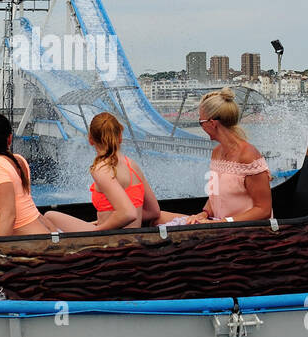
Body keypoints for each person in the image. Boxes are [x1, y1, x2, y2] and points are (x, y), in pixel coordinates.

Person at [42, 113, 179, 232]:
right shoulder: (132, 165)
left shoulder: (102, 169)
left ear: (91, 139)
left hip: (111, 239)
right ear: (120, 136)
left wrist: (98, 230)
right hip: (132, 236)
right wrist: (112, 219)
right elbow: (154, 211)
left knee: (49, 217)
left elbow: (128, 213)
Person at [185, 88, 272, 224]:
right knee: (158, 218)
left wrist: (223, 223)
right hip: (219, 226)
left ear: (212, 123)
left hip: (246, 232)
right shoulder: (216, 153)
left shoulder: (249, 157)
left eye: (200, 122)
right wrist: (204, 213)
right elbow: (215, 195)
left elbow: (264, 210)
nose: (201, 126)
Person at [0, 112, 50, 236]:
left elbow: (8, 217)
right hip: (44, 231)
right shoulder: (19, 161)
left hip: (33, 243)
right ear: (9, 138)